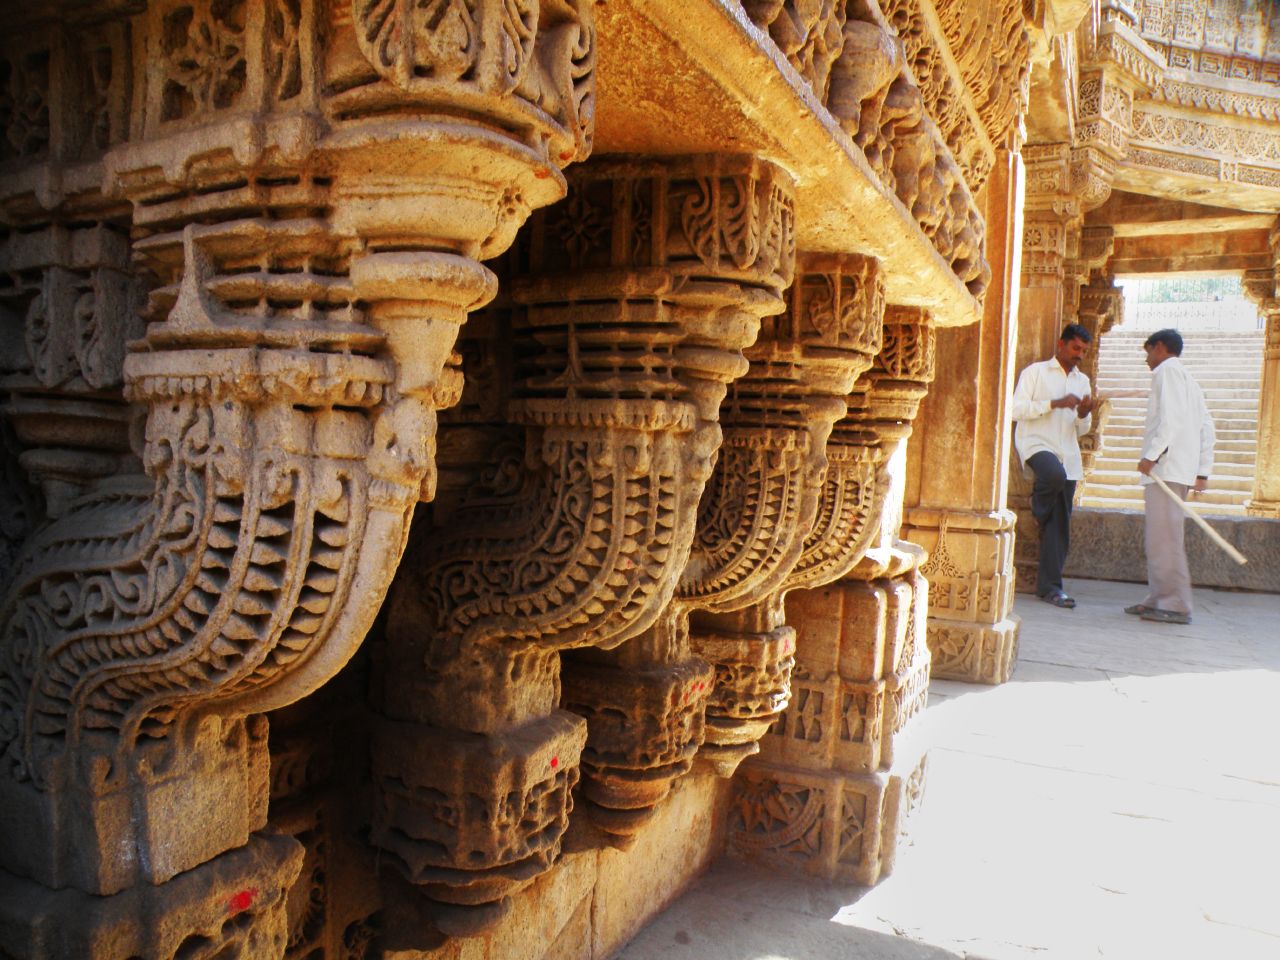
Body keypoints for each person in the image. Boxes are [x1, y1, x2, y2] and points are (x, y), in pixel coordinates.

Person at [1125, 328, 1215, 625]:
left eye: (1148, 352)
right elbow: (1207, 426)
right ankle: (1159, 597)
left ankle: (1175, 602)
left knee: (1164, 539)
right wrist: (1202, 470)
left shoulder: (1167, 372)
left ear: (1160, 347)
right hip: (1177, 468)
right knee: (1161, 537)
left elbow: (1171, 419)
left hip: (1166, 467)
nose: (1147, 359)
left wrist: (1151, 455)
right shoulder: (1189, 380)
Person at [1011, 323, 1097, 608]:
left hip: (1068, 454)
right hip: (1037, 444)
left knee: (1059, 528)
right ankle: (1039, 507)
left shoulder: (1082, 381)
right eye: (1075, 348)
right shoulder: (1035, 372)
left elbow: (1082, 429)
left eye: (1084, 351)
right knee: (1053, 476)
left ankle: (1050, 588)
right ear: (1061, 345)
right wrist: (1054, 403)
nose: (1079, 355)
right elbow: (1015, 410)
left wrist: (1084, 414)